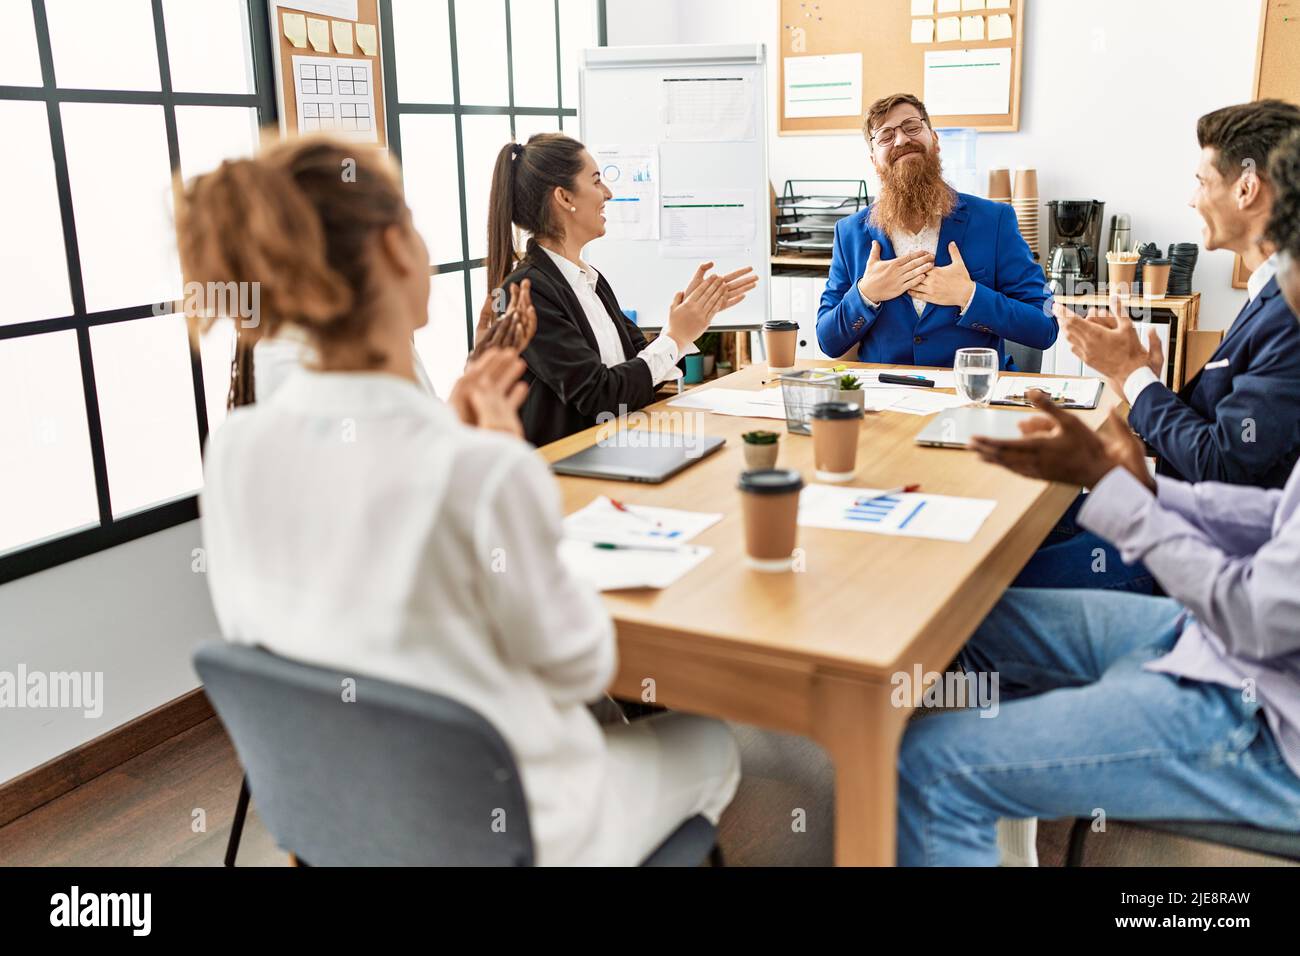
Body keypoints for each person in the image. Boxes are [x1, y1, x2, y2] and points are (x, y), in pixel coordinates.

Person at [179, 136, 740, 866]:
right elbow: (579, 663)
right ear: (393, 252)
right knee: (713, 743)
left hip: (347, 810)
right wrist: (497, 465)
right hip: (513, 821)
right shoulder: (481, 468)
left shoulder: (234, 451)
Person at [891, 126, 1300, 866]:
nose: (1280, 277)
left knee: (933, 763)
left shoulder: (987, 224)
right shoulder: (864, 234)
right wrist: (1137, 485)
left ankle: (983, 783)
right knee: (963, 625)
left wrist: (1126, 490)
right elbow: (1274, 515)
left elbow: (1257, 614)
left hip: (1259, 703)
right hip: (1227, 643)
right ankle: (1009, 811)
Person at [1014, 99, 1300, 594]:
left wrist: (1135, 377)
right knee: (1015, 531)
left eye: (1202, 182)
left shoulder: (1288, 313)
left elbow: (1224, 463)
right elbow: (1221, 435)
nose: (1192, 199)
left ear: (1247, 189)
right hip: (1183, 516)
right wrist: (1133, 378)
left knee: (989, 586)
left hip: (1209, 552)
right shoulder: (1269, 294)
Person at [486, 133, 758, 447]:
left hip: (617, 448)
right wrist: (676, 337)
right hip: (569, 468)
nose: (609, 193)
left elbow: (635, 375)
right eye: (596, 180)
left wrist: (685, 324)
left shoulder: (590, 281)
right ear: (564, 198)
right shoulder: (526, 292)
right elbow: (600, 396)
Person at [816, 93, 1055, 367]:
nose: (902, 139)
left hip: (970, 393)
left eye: (912, 127)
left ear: (935, 140)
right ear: (873, 160)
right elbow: (827, 341)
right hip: (888, 398)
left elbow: (1045, 325)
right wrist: (865, 294)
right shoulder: (849, 233)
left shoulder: (994, 220)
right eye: (885, 135)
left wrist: (969, 295)